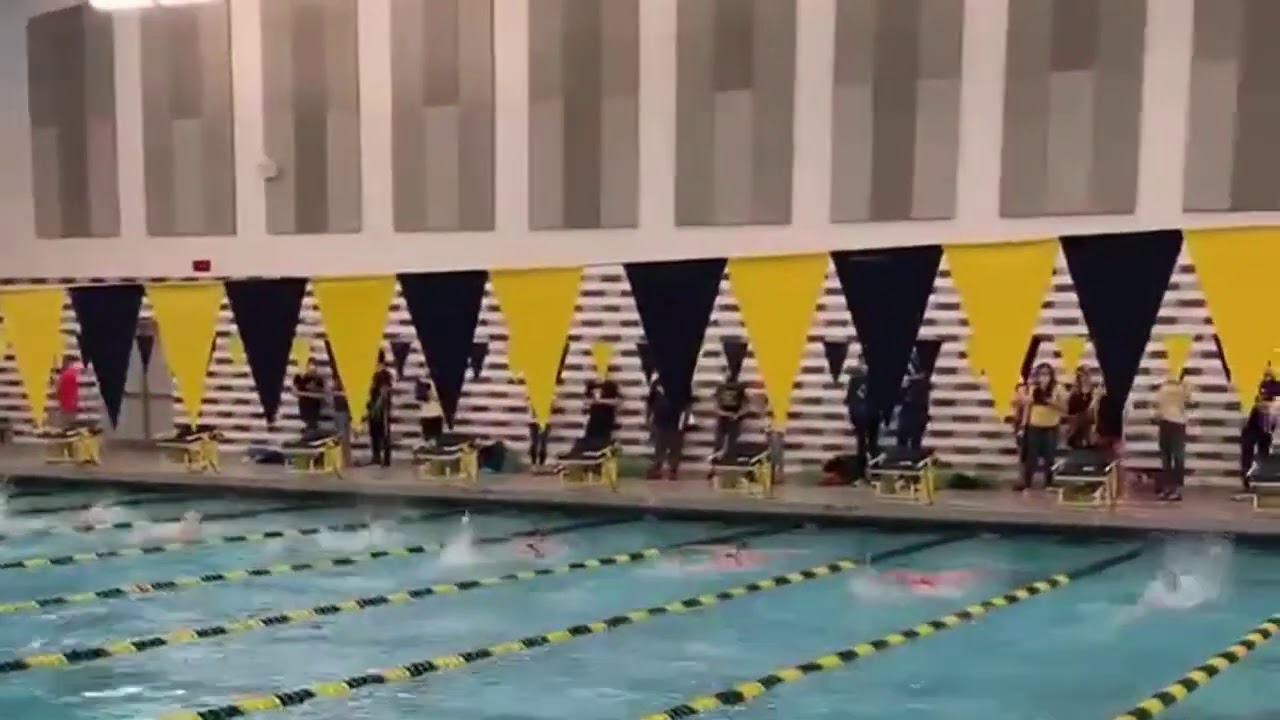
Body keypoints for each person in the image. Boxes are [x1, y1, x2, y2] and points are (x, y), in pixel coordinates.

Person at [1015, 363, 1068, 491]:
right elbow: (1028, 406)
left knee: (1049, 456)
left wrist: (1048, 401)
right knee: (1031, 455)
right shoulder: (1034, 388)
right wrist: (1023, 425)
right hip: (1034, 425)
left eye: (1046, 374)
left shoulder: (1058, 388)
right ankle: (1027, 482)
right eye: (1041, 374)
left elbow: (1064, 408)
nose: (1044, 377)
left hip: (1051, 426)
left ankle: (1049, 482)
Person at [1153, 370, 1191, 501]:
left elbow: (1187, 399)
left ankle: (1177, 488)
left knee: (1178, 456)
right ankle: (1167, 487)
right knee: (1166, 457)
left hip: (1178, 423)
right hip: (1164, 422)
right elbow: (1159, 403)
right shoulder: (1164, 384)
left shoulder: (1184, 384)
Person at [645, 377, 688, 480]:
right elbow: (650, 401)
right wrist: (648, 416)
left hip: (675, 420)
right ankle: (656, 469)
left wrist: (683, 421)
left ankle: (673, 470)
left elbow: (686, 404)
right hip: (659, 420)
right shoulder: (656, 383)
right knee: (659, 447)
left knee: (675, 447)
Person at [1237, 389, 1275, 500]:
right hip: (1251, 433)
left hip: (1263, 435)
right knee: (1248, 454)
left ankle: (1259, 478)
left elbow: (1269, 430)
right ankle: (1247, 479)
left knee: (1263, 455)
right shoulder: (1254, 411)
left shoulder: (1272, 412)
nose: (1264, 408)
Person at [708, 376, 749, 477]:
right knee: (720, 444)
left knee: (729, 444)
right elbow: (746, 406)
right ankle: (714, 468)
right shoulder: (729, 388)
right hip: (728, 418)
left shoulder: (732, 388)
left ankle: (723, 468)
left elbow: (746, 406)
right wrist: (734, 414)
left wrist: (735, 414)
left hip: (730, 418)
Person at [845, 363, 877, 482]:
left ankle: (864, 472)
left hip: (866, 415)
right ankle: (871, 471)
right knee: (869, 444)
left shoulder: (856, 380)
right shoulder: (873, 379)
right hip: (866, 415)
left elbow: (849, 400)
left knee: (865, 444)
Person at [366, 357, 395, 467]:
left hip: (382, 409)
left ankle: (386, 459)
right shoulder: (373, 374)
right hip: (372, 406)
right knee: (374, 433)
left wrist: (376, 408)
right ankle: (376, 456)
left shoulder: (385, 375)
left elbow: (384, 393)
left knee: (384, 434)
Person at [895, 360, 930, 450]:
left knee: (916, 439)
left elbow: (924, 376)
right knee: (902, 438)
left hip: (918, 409)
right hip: (907, 410)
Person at [1064, 367, 1099, 450]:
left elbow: (1096, 409)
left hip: (1091, 418)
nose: (1083, 379)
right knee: (1080, 417)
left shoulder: (1094, 391)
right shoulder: (1074, 392)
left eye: (1084, 376)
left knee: (1087, 416)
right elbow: (1071, 409)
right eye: (1080, 377)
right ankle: (1082, 439)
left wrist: (1095, 399)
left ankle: (1088, 439)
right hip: (1077, 419)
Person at [582, 375, 621, 445]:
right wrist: (595, 401)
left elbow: (617, 401)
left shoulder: (611, 385)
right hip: (593, 417)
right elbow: (585, 401)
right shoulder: (591, 384)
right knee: (591, 436)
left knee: (604, 438)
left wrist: (601, 401)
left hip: (607, 417)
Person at [292, 359, 326, 432]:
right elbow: (294, 392)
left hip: (314, 406)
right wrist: (309, 393)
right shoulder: (299, 377)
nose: (312, 367)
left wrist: (304, 393)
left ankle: (312, 431)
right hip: (304, 405)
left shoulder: (319, 379)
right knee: (306, 420)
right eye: (311, 365)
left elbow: (322, 395)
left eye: (314, 365)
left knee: (312, 423)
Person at [416, 375, 444, 443]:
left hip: (430, 411)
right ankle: (432, 442)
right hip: (433, 411)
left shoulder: (424, 380)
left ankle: (430, 442)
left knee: (430, 429)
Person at [55, 357, 80, 428]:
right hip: (71, 403)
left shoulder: (64, 375)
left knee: (65, 422)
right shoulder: (72, 374)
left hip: (65, 403)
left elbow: (58, 389)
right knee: (70, 422)